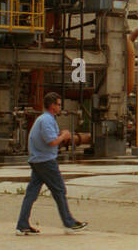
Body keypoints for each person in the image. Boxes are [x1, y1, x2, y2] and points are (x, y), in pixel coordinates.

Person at [16, 91, 87, 235]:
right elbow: (52, 141)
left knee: (31, 193)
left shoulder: (46, 119)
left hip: (38, 160)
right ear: (52, 106)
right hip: (45, 161)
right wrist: (64, 136)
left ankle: (22, 225)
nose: (60, 107)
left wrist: (60, 135)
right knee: (59, 190)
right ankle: (68, 223)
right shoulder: (47, 120)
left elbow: (51, 137)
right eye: (59, 105)